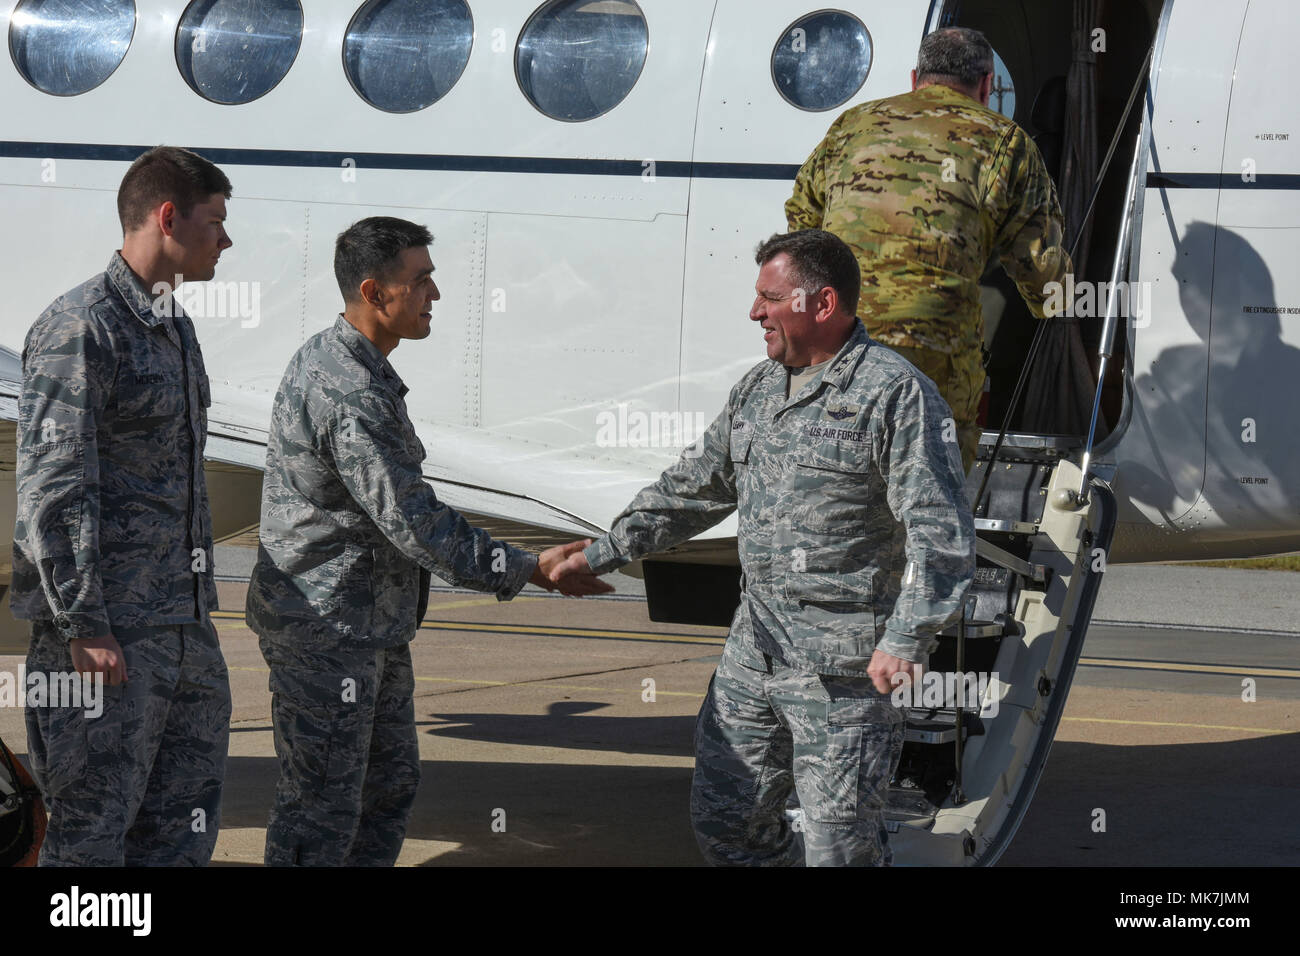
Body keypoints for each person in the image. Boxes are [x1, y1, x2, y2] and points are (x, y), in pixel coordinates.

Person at [555, 230, 974, 866]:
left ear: (822, 304)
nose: (755, 313)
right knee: (728, 826)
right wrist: (604, 551)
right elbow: (692, 489)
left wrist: (907, 638)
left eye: (770, 298)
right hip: (754, 658)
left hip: (843, 676)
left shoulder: (894, 394)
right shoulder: (759, 388)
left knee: (841, 853)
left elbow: (940, 533)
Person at [245, 216, 611, 866]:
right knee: (323, 812)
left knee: (386, 789)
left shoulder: (352, 367)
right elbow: (414, 523)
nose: (435, 294)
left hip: (368, 627)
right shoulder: (351, 394)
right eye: (421, 280)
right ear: (374, 291)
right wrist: (525, 567)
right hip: (328, 635)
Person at [13, 145, 235, 865]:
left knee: (179, 830)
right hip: (106, 639)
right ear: (167, 217)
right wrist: (85, 623)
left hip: (179, 629)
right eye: (215, 222)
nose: (225, 240)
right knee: (90, 837)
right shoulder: (83, 327)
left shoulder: (174, 326)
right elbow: (54, 487)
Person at [786, 26, 1072, 471]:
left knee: (835, 480)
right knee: (930, 490)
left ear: (916, 76)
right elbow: (1040, 266)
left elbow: (802, 226)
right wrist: (1059, 309)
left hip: (838, 343)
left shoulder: (851, 125)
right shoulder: (1005, 141)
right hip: (934, 354)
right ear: (987, 85)